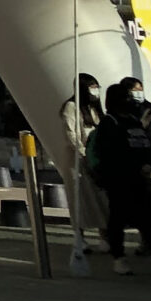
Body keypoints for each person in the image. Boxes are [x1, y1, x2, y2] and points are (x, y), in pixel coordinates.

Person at [90, 81, 151, 275]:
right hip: (119, 180)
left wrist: (147, 163)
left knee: (146, 220)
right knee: (118, 220)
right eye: (126, 97)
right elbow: (109, 153)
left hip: (139, 179)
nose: (131, 100)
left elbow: (144, 144)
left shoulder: (133, 121)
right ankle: (120, 258)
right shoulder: (109, 123)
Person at [59, 74, 108, 256]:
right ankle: (80, 238)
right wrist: (83, 152)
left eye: (96, 87)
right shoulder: (71, 107)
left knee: (100, 199)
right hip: (78, 160)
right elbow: (70, 133)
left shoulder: (94, 109)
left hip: (96, 159)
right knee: (79, 199)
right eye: (91, 87)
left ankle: (105, 237)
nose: (95, 91)